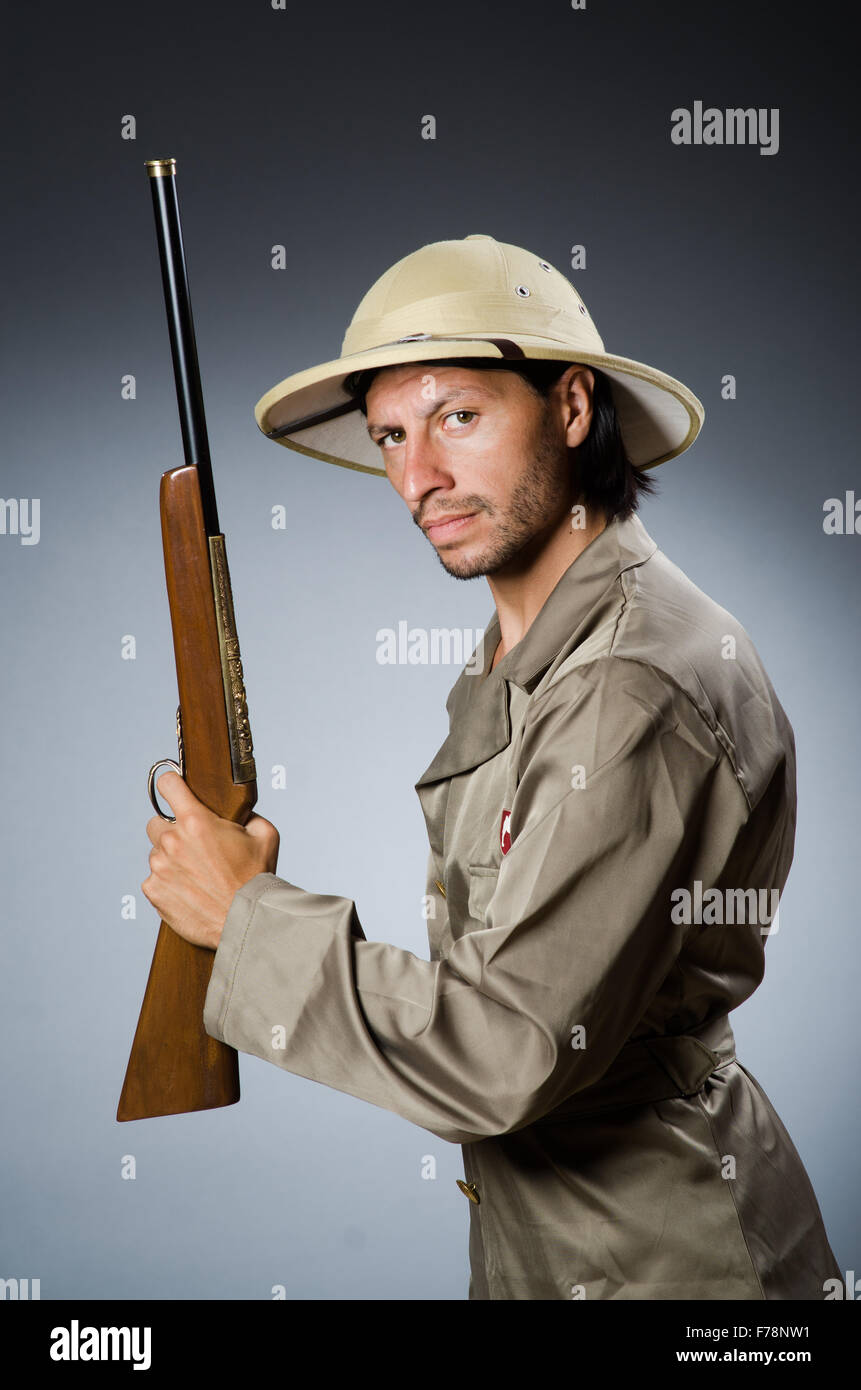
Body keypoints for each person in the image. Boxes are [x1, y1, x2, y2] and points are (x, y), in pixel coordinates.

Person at [142, 234, 841, 1300]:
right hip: (554, 1252)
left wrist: (250, 918)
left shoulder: (629, 686)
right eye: (389, 436)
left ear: (569, 408)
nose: (418, 476)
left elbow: (503, 1048)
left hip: (668, 1269)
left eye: (458, 417)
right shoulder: (532, 653)